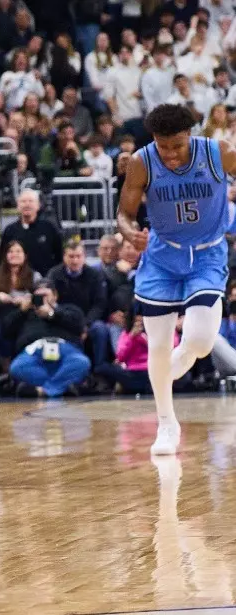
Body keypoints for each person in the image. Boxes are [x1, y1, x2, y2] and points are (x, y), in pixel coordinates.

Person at [117, 103, 236, 455]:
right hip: (161, 257)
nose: (168, 154)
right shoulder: (142, 161)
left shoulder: (219, 153)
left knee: (200, 341)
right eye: (162, 146)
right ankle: (167, 423)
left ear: (191, 136)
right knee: (157, 345)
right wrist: (128, 233)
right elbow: (124, 213)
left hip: (207, 255)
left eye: (176, 146)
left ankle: (186, 354)